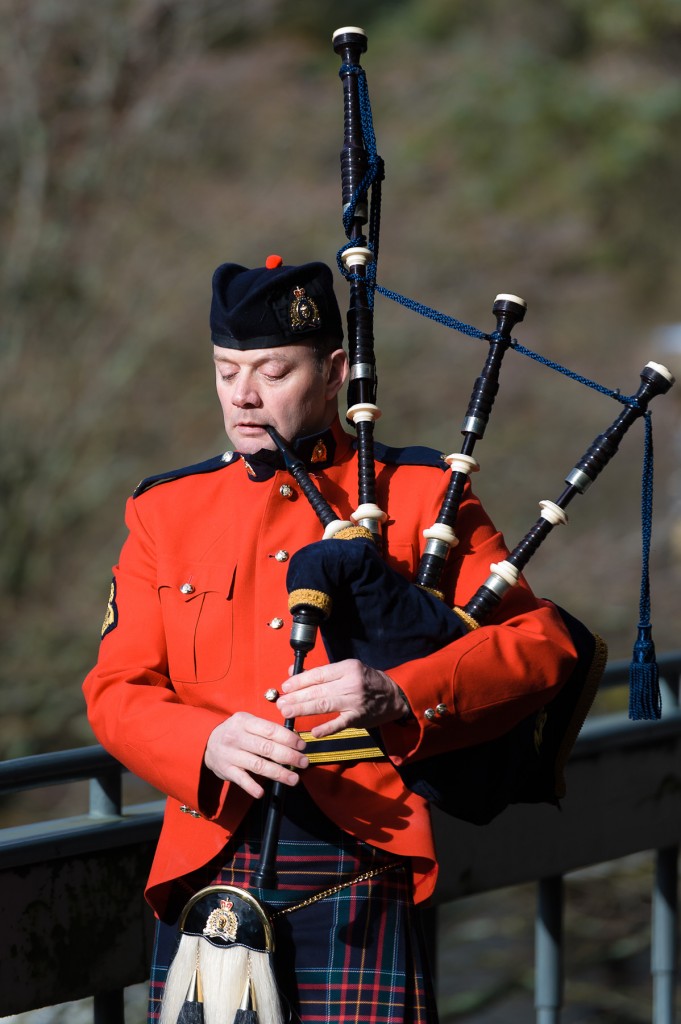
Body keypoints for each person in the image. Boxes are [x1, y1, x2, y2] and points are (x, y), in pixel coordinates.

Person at [83, 255, 578, 1024]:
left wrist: (398, 692)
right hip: (211, 856)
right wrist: (202, 742)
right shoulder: (165, 511)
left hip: (360, 855)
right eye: (224, 370)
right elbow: (116, 689)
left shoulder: (418, 495)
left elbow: (543, 647)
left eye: (272, 370)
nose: (242, 395)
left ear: (335, 371)